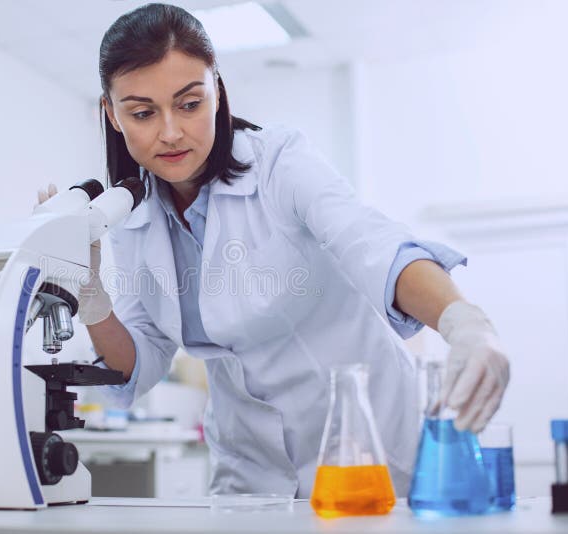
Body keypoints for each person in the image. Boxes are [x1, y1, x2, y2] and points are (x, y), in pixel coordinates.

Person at [37, 3, 509, 497]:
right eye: (142, 113)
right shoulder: (133, 216)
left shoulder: (279, 163)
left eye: (190, 104)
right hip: (250, 475)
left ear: (217, 92)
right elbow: (140, 358)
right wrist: (89, 295)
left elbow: (371, 242)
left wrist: (464, 322)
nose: (171, 131)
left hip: (364, 453)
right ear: (111, 114)